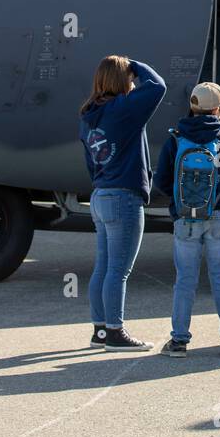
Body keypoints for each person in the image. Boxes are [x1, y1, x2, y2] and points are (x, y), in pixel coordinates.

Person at [153, 82, 220, 359]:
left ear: (193, 108)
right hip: (219, 215)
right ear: (218, 110)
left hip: (185, 218)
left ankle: (179, 341)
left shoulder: (175, 139)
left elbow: (160, 181)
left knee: (185, 279)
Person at [79, 55, 167, 352]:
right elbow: (157, 86)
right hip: (124, 197)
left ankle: (101, 330)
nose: (132, 82)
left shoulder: (88, 115)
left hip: (101, 194)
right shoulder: (124, 109)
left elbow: (91, 164)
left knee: (103, 267)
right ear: (121, 80)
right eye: (128, 78)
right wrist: (135, 63)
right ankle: (116, 332)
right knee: (119, 270)